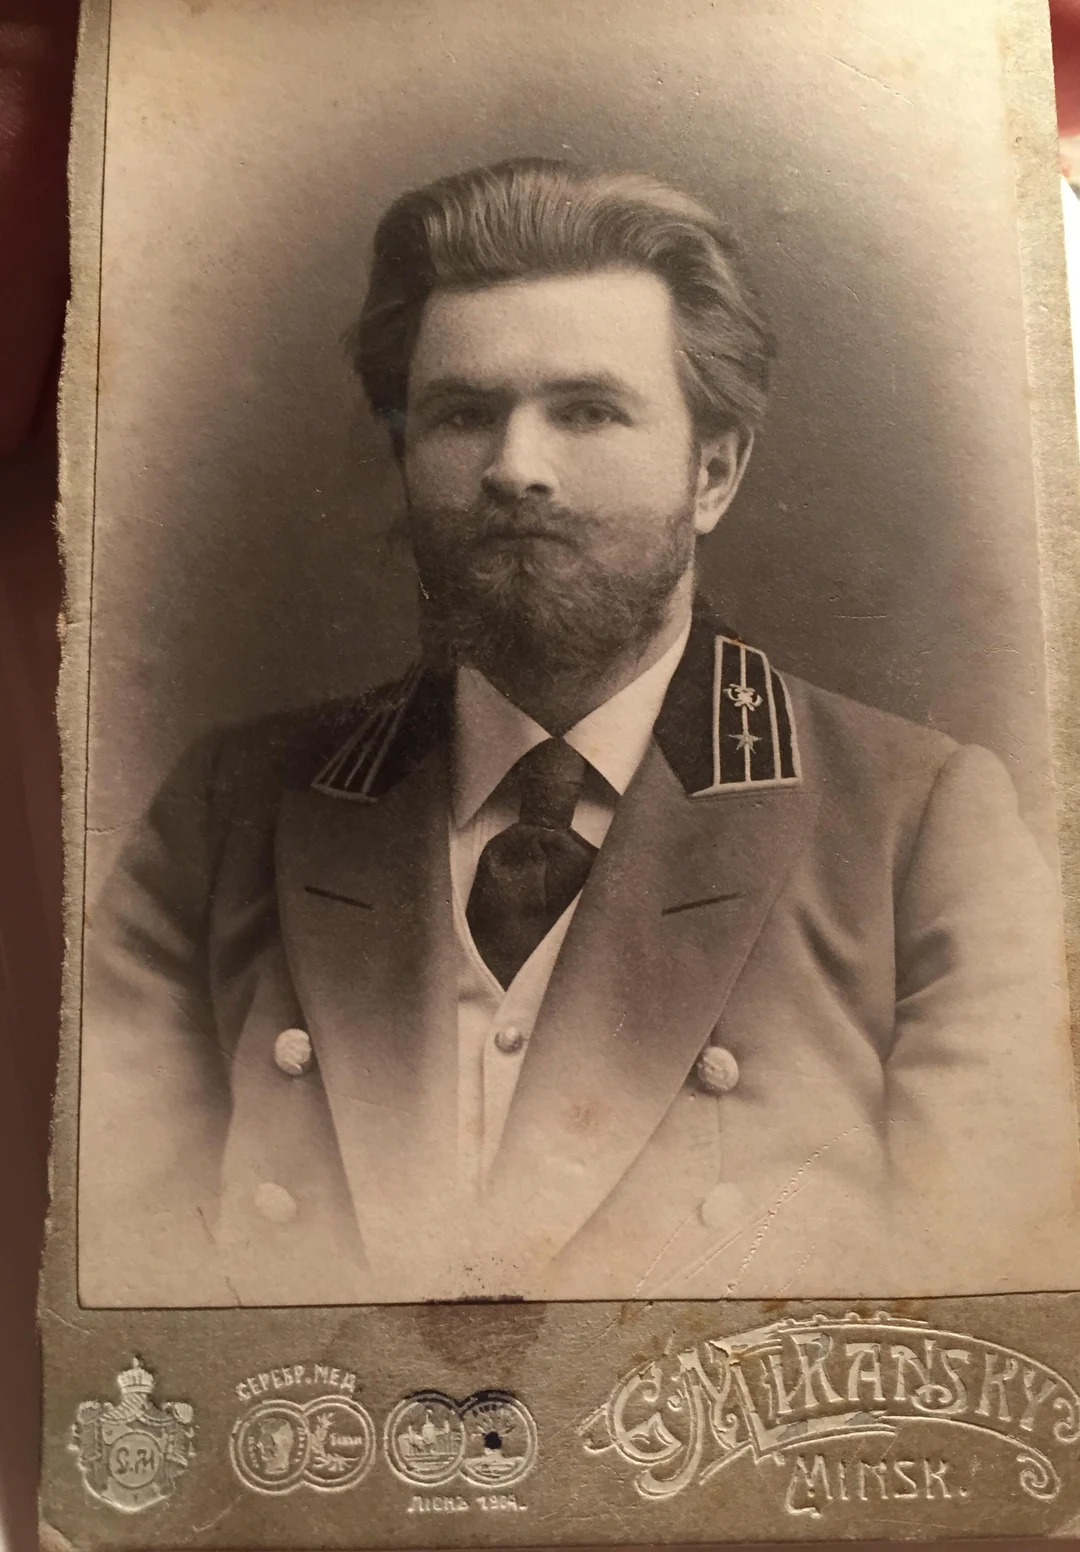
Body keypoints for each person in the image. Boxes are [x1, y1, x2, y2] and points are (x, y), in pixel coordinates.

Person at [78, 157, 1080, 1307]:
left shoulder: (919, 827)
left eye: (588, 411)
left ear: (713, 470)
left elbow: (988, 1318)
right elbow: (127, 1289)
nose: (515, 468)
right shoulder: (224, 819)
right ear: (406, 455)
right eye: (462, 414)